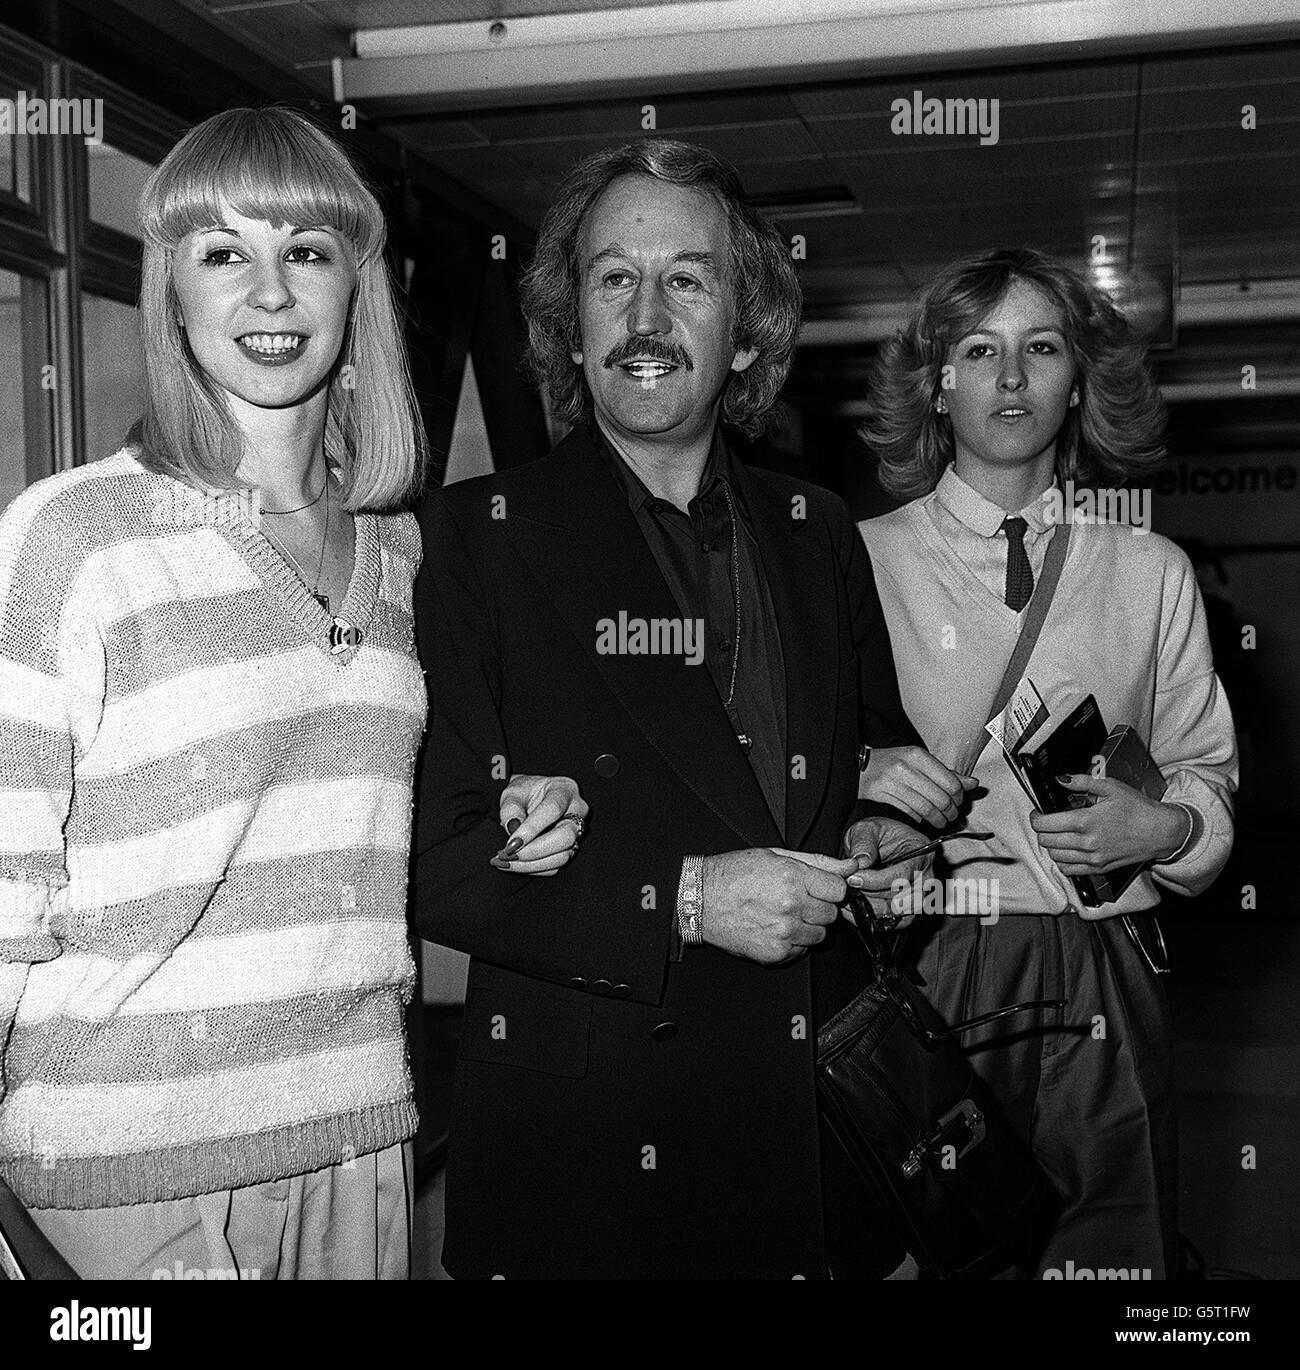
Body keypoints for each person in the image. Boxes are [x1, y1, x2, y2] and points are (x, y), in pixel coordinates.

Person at [0, 105, 583, 1282]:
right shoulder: (75, 537)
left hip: (360, 1140)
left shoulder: (405, 555)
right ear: (171, 294)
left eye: (304, 251)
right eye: (223, 254)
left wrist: (515, 817)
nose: (269, 293)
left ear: (354, 289)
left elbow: (381, 833)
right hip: (128, 1173)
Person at [409, 137, 931, 1279]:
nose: (645, 314)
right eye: (612, 279)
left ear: (745, 329)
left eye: (686, 279)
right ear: (571, 325)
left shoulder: (817, 530)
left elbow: (863, 768)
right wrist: (685, 899)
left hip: (811, 1127)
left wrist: (880, 834)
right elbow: (434, 861)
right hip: (590, 1152)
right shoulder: (472, 540)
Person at [857, 247, 1237, 1278]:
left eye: (1040, 348)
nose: (1010, 378)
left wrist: (1162, 827)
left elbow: (1205, 769)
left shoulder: (1148, 569)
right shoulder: (857, 558)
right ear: (938, 382)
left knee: (1111, 1248)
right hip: (927, 956)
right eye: (978, 351)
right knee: (935, 1245)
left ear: (1078, 380)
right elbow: (788, 757)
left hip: (1099, 953)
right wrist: (863, 776)